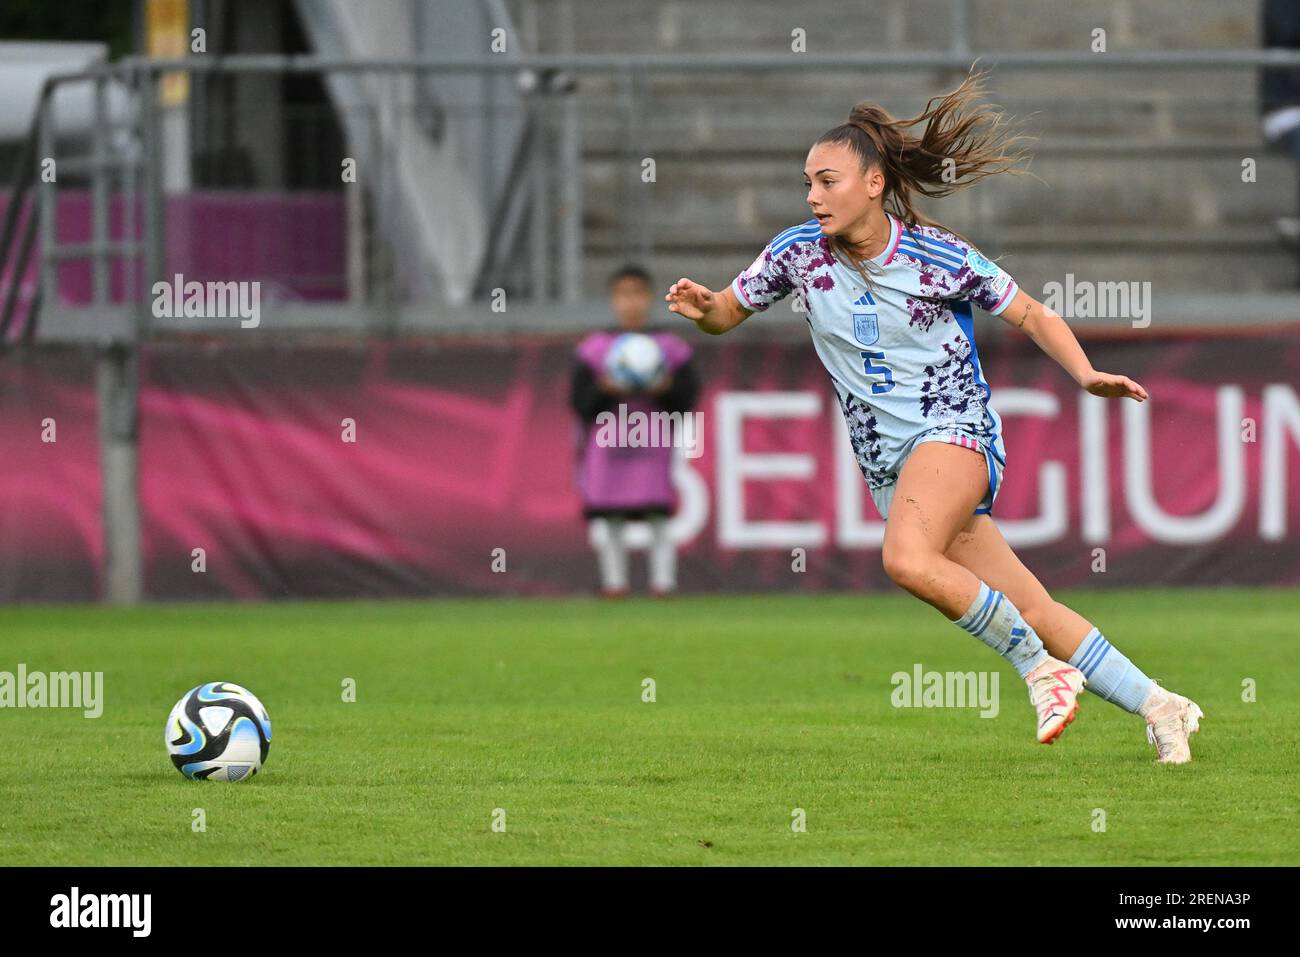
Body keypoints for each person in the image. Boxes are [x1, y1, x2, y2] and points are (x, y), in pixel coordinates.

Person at [664, 72, 1203, 763]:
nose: (811, 196)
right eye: (807, 182)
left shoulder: (937, 256)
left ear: (872, 182)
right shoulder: (798, 253)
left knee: (905, 558)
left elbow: (1032, 312)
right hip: (892, 466)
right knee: (1031, 605)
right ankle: (1161, 705)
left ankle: (1040, 671)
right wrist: (702, 304)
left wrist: (1086, 372)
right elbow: (726, 314)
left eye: (826, 181)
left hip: (954, 433)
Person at [571, 265, 699, 597]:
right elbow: (579, 403)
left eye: (638, 294)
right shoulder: (594, 349)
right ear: (613, 299)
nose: (631, 302)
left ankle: (663, 583)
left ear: (649, 298)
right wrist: (605, 389)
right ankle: (614, 583)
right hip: (609, 443)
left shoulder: (668, 348)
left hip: (652, 440)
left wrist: (664, 388)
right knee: (610, 515)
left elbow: (686, 398)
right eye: (623, 294)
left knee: (658, 512)